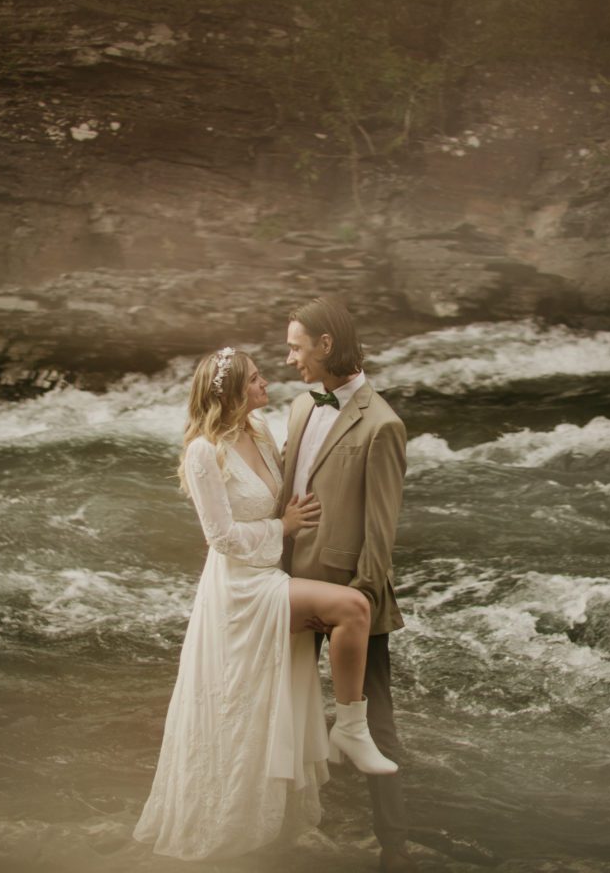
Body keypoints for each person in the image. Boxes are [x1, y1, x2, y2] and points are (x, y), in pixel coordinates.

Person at [134, 346, 398, 862]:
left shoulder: (259, 431)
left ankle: (263, 818)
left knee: (258, 706)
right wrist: (284, 528)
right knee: (352, 609)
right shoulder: (204, 452)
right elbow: (222, 538)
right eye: (255, 381)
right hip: (240, 588)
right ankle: (350, 727)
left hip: (272, 572)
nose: (265, 384)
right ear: (232, 393)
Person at [280, 297, 416, 873]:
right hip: (286, 589)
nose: (290, 360)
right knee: (279, 710)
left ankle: (395, 845)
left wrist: (352, 603)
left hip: (349, 601)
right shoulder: (298, 408)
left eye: (296, 346)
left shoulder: (382, 425)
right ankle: (275, 830)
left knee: (373, 723)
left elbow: (379, 535)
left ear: (326, 345)